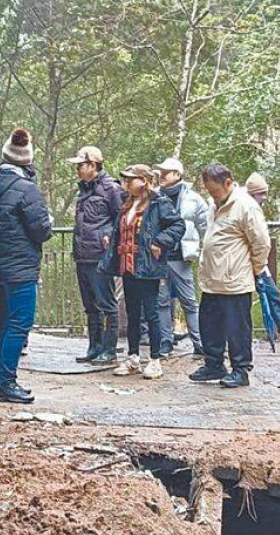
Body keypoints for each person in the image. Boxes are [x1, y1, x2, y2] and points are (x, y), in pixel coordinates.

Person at [0, 128, 53, 404]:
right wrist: (48, 220)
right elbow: (41, 231)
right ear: (28, 160)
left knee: (0, 321)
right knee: (19, 324)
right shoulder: (27, 189)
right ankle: (7, 382)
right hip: (21, 267)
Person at [99, 164, 185, 379]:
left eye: (131, 179)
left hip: (148, 266)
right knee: (133, 313)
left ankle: (155, 359)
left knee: (152, 313)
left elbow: (177, 226)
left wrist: (159, 242)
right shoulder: (127, 204)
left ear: (144, 181)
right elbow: (121, 229)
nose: (126, 183)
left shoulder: (159, 203)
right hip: (128, 266)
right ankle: (133, 356)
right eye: (125, 180)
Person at [189, 164, 271, 388]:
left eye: (215, 191)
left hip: (235, 279)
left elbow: (261, 242)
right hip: (211, 279)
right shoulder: (214, 205)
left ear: (228, 183)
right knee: (209, 324)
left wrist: (256, 269)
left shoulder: (246, 206)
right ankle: (214, 364)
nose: (213, 195)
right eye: (209, 191)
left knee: (237, 328)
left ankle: (241, 369)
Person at [67, 146, 123, 365]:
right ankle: (95, 346)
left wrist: (108, 238)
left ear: (93, 165)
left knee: (107, 302)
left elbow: (120, 218)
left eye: (80, 165)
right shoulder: (84, 190)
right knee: (90, 304)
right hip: (83, 254)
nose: (78, 170)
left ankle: (109, 349)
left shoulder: (111, 188)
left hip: (101, 255)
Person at [153, 158, 208, 358]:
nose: (162, 176)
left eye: (166, 172)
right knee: (162, 301)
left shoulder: (193, 199)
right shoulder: (155, 197)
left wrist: (206, 251)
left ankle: (199, 342)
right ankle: (165, 342)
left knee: (189, 301)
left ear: (177, 174)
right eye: (161, 172)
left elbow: (205, 226)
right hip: (159, 257)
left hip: (181, 257)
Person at [244, 172, 280, 352]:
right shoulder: (247, 207)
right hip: (246, 262)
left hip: (257, 262)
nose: (264, 198)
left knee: (272, 294)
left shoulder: (251, 207)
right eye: (261, 194)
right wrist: (258, 263)